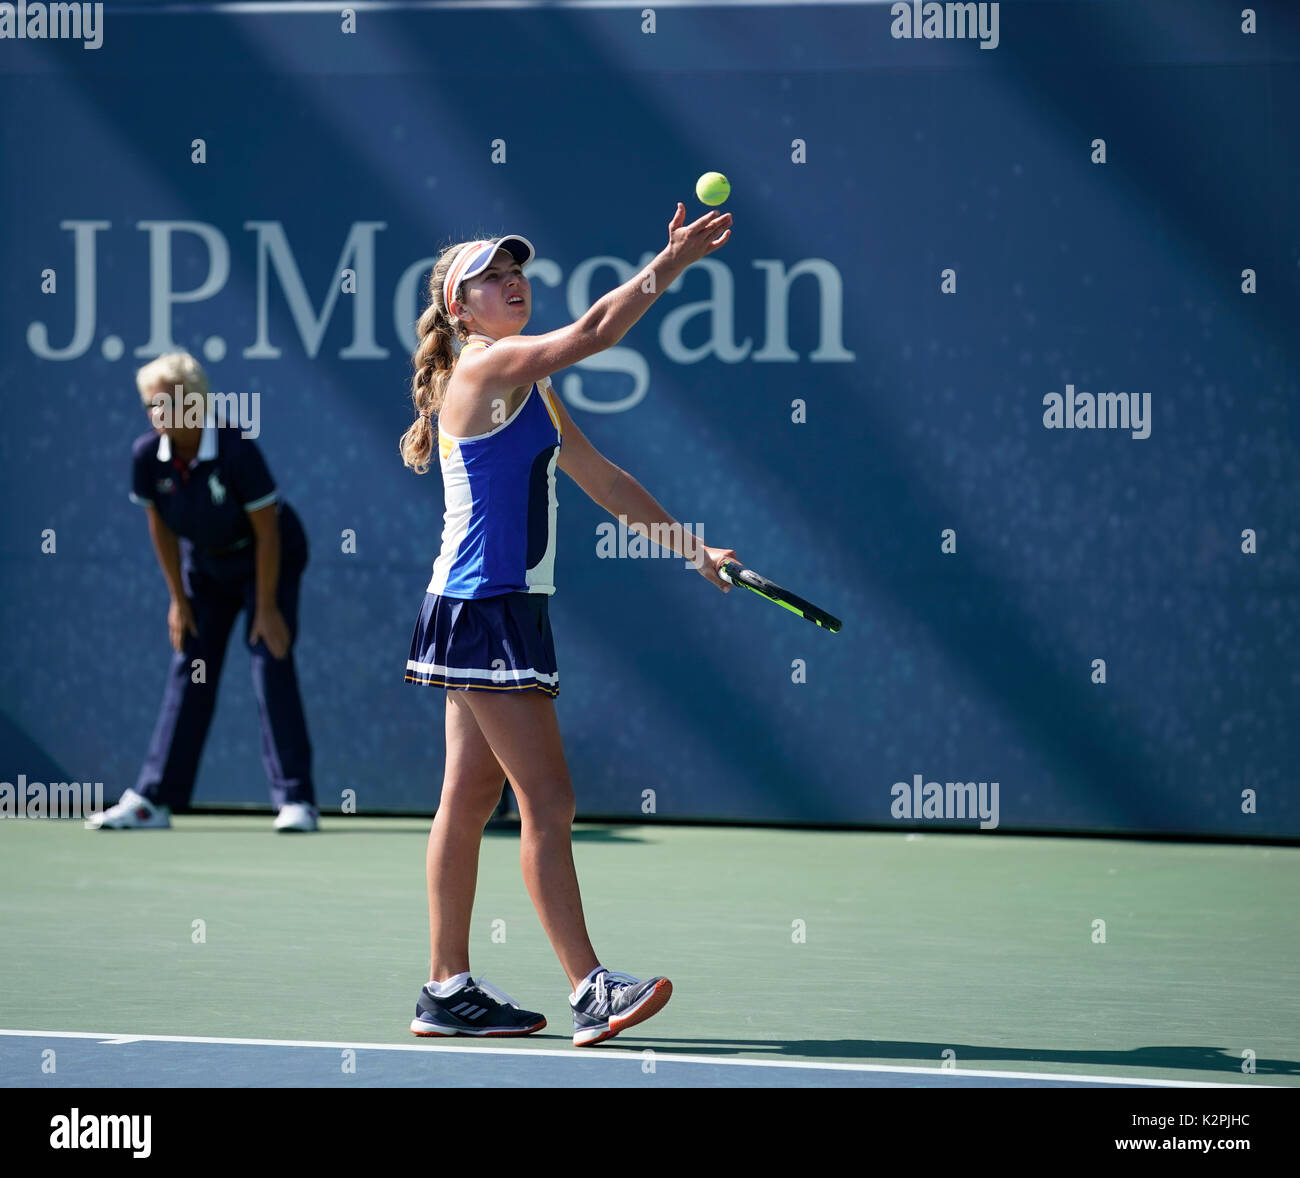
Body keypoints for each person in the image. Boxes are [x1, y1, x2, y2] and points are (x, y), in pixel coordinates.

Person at [400, 204, 739, 1046]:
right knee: (547, 799)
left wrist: (693, 549)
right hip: (487, 605)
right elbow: (594, 328)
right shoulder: (488, 370)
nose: (512, 281)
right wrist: (672, 263)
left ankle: (445, 990)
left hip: (481, 607)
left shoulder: (525, 385)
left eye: (516, 270)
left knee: (471, 795)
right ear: (459, 310)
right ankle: (591, 988)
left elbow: (601, 478)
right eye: (490, 276)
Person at [85, 352, 319, 833]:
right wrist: (178, 599)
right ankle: (155, 799)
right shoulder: (146, 456)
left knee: (268, 657)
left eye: (170, 402)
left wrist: (268, 606)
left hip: (264, 558)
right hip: (204, 567)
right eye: (152, 404)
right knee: (191, 666)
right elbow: (162, 529)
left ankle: (297, 801)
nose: (160, 413)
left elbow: (268, 532)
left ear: (198, 402)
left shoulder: (237, 451)